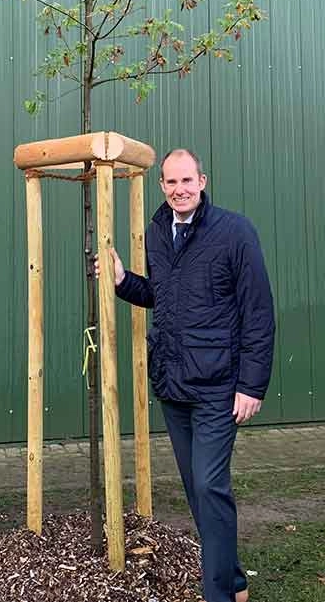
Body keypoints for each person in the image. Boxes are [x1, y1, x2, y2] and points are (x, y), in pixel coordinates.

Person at [98, 149, 275, 602]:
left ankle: (217, 594)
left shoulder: (235, 232)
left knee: (211, 485)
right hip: (174, 384)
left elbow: (258, 312)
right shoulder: (159, 232)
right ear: (161, 186)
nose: (179, 190)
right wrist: (122, 280)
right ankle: (233, 582)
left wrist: (251, 385)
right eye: (171, 182)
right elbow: (163, 297)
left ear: (202, 180)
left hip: (219, 386)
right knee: (200, 492)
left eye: (187, 181)